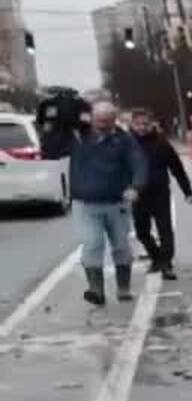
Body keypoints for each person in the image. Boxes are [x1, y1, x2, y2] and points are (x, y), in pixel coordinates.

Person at [67, 101, 147, 305]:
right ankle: (96, 290)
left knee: (120, 245)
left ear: (114, 120)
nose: (102, 125)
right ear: (92, 118)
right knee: (93, 243)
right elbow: (53, 141)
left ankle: (123, 288)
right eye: (99, 120)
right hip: (85, 203)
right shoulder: (79, 136)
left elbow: (138, 162)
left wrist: (135, 187)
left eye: (107, 121)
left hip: (116, 203)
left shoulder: (124, 140)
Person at [128, 109, 192, 281]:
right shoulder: (126, 144)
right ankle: (156, 257)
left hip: (160, 192)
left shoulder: (161, 143)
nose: (142, 128)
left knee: (165, 230)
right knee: (142, 232)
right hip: (138, 194)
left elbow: (177, 168)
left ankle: (166, 264)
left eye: (145, 124)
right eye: (138, 124)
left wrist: (187, 191)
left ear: (151, 124)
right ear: (132, 125)